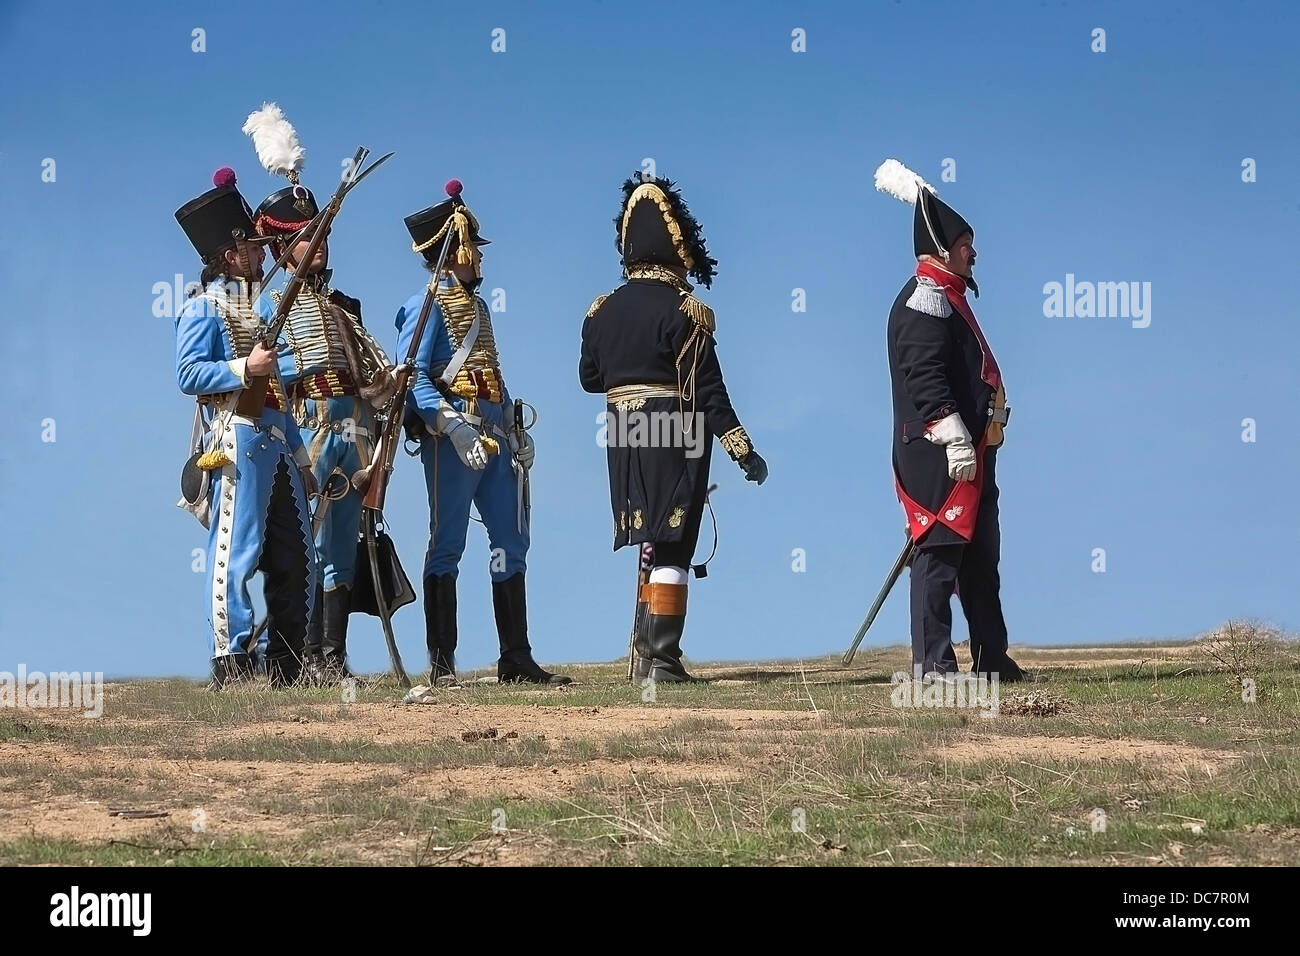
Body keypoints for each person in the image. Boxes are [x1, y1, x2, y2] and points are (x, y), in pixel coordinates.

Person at [580, 173, 768, 683]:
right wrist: (742, 448)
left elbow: (589, 379)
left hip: (622, 434)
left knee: (648, 536)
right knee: (674, 544)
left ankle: (644, 653)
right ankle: (661, 659)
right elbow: (711, 391)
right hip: (674, 431)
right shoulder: (687, 312)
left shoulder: (600, 312)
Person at [395, 180, 570, 687]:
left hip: (494, 435)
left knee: (511, 539)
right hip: (453, 439)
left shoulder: (481, 309)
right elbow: (415, 379)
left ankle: (515, 656)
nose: (481, 263)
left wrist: (514, 425)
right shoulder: (424, 305)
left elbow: (491, 369)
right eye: (474, 252)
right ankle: (443, 664)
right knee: (447, 542)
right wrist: (449, 425)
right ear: (455, 253)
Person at [245, 104, 395, 682]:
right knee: (296, 549)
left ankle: (330, 657)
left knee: (341, 548)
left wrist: (386, 395)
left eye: (325, 234)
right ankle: (293, 654)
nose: (322, 245)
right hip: (301, 432)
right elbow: (265, 380)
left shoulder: (343, 308)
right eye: (310, 237)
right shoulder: (268, 305)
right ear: (284, 246)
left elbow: (367, 375)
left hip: (352, 434)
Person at [874, 158, 1026, 683]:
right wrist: (953, 434)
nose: (973, 250)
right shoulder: (924, 299)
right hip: (939, 454)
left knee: (982, 563)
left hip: (973, 454)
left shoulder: (949, 297)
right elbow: (924, 377)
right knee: (937, 558)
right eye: (965, 242)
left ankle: (993, 660)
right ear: (941, 246)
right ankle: (932, 667)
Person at [174, 167, 317, 689]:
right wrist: (243, 369)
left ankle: (287, 663)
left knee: (295, 555)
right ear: (230, 255)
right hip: (237, 440)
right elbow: (188, 375)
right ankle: (229, 660)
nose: (263, 257)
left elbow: (279, 398)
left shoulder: (257, 316)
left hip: (278, 442)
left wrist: (302, 462)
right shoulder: (202, 308)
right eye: (254, 249)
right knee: (235, 552)